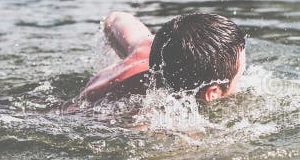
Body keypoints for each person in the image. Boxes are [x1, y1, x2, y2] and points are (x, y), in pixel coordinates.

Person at [74, 12, 246, 104]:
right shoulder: (142, 117)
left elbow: (114, 19)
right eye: (239, 77)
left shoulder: (153, 49)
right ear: (212, 93)